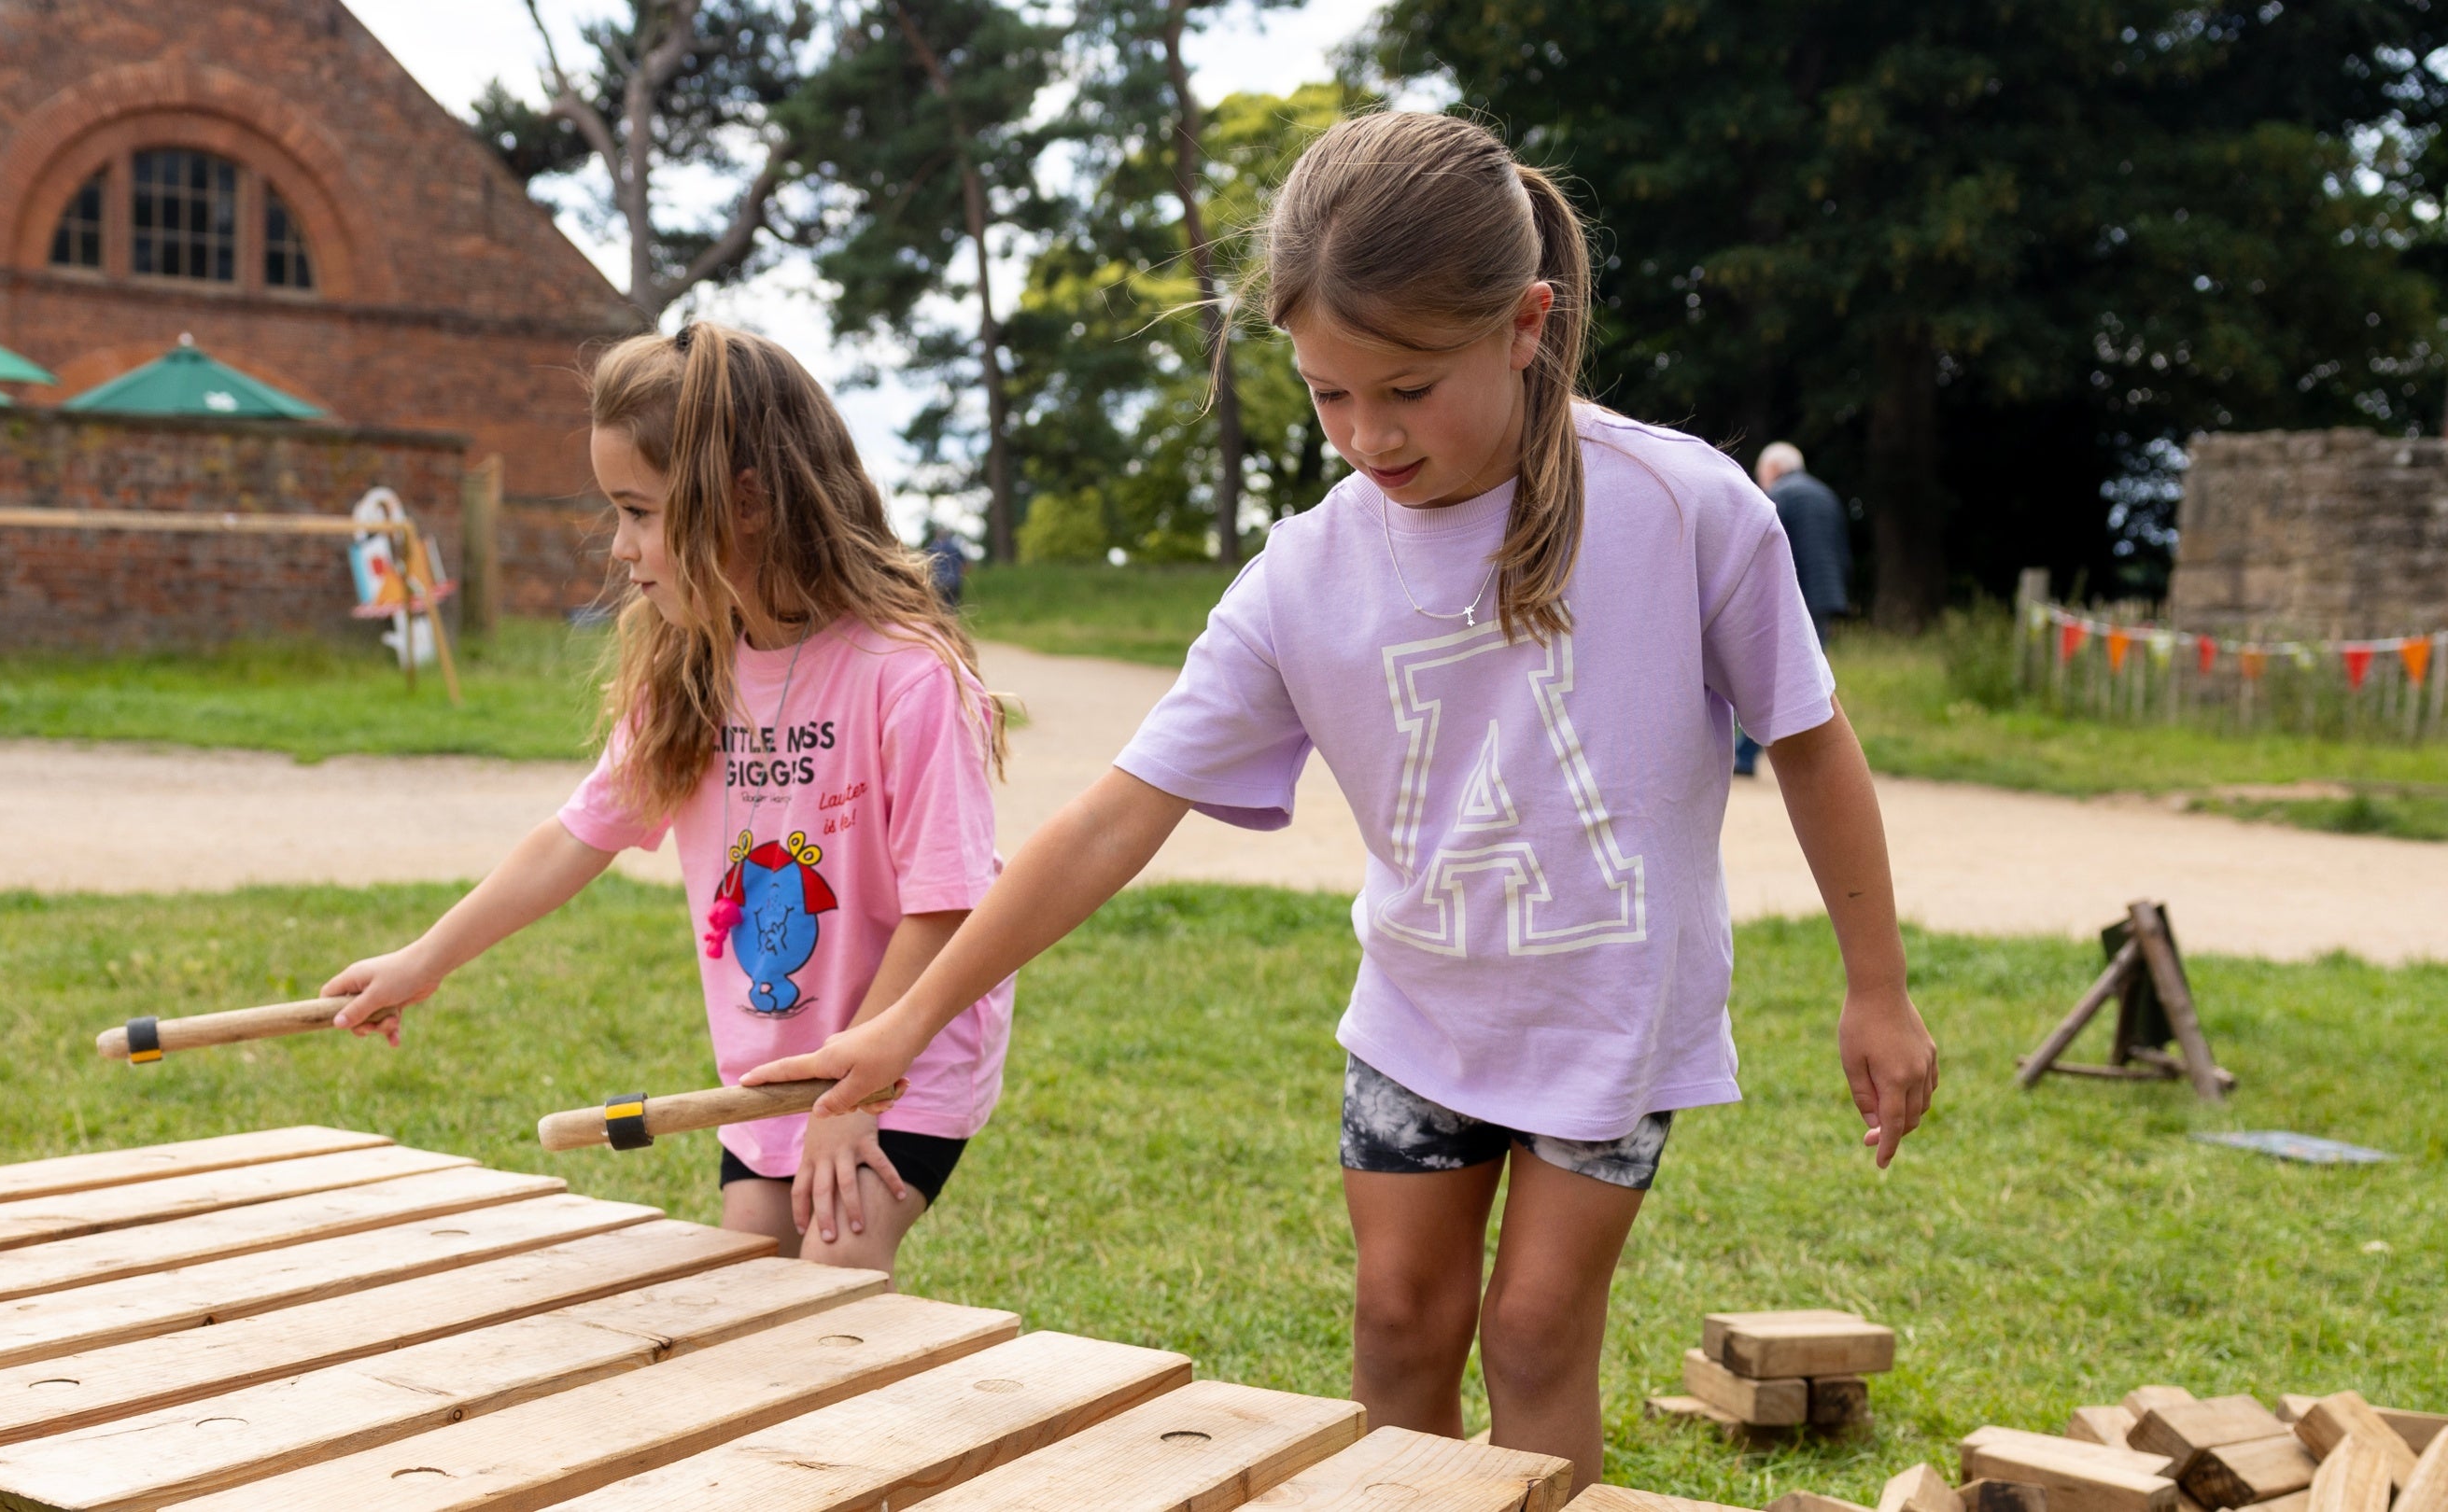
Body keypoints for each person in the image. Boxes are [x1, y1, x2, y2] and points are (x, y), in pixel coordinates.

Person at [744, 112, 1937, 1478]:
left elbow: (1811, 741)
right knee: (1394, 1326)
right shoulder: (1303, 575)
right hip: (1419, 1012)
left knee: (1540, 1334)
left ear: (1526, 322)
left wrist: (1878, 985)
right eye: (1328, 394)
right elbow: (1116, 814)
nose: (1369, 434)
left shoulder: (1685, 505)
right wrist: (904, 1022)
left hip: (1611, 1015)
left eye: (1409, 389)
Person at [321, 323, 1013, 1277]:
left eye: (640, 512)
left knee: (830, 1283)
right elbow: (577, 838)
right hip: (777, 1056)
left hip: (906, 1049)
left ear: (747, 503)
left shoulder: (907, 679)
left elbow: (949, 906)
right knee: (744, 1282)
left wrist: (855, 1096)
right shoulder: (691, 671)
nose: (620, 547)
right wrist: (423, 961)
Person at [1735, 441, 1851, 776]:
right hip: (1826, 595)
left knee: (1767, 679)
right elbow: (1840, 551)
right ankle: (1815, 761)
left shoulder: (1779, 496)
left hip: (1793, 597)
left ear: (1772, 469)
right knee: (1813, 682)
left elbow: (1764, 550)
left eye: (1761, 475)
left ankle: (1744, 756)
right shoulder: (1826, 495)